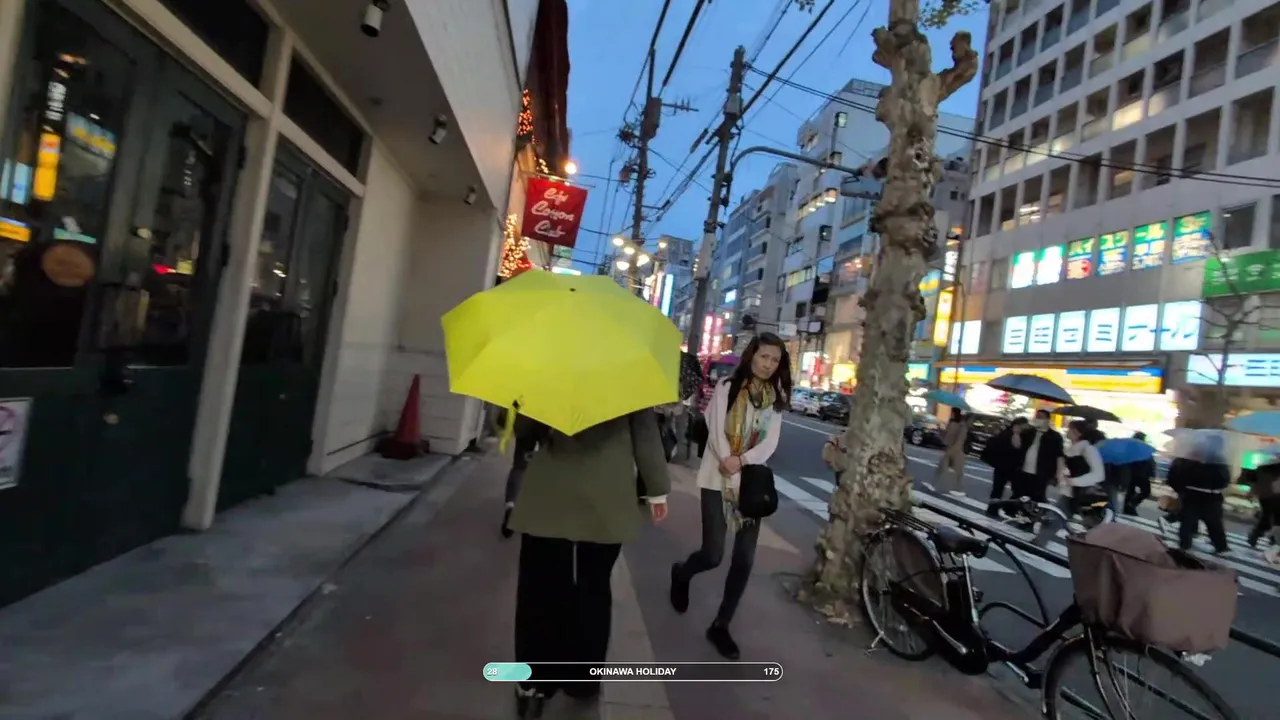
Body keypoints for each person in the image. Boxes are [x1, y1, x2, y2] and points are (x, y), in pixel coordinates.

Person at [506, 410, 670, 717]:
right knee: (593, 588)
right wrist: (657, 490)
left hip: (551, 492)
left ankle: (533, 681)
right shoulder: (632, 382)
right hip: (606, 495)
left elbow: (524, 429)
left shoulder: (548, 378)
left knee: (539, 586)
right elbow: (645, 432)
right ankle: (583, 678)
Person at [669, 333, 791, 660]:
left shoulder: (776, 398)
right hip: (716, 476)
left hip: (750, 485)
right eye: (763, 356)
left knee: (744, 559)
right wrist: (728, 460)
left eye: (774, 360)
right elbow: (715, 430)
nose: (768, 364)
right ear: (752, 356)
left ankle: (721, 625)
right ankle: (682, 573)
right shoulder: (727, 387)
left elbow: (770, 443)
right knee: (713, 554)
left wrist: (742, 461)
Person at [1166, 433, 1231, 556]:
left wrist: (1180, 488)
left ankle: (1186, 544)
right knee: (1209, 522)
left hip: (1197, 495)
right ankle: (1219, 546)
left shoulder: (1198, 457)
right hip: (1204, 495)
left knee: (1195, 521)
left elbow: (1177, 473)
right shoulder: (1213, 459)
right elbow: (1224, 480)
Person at [1012, 409, 1065, 505]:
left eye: (1040, 417)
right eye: (1037, 416)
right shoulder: (1028, 432)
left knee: (1037, 497)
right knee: (1019, 495)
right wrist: (1016, 433)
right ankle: (1015, 512)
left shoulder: (1055, 437)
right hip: (1023, 470)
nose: (1037, 419)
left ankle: (1039, 512)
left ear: (1047, 420)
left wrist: (1058, 475)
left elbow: (1059, 456)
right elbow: (1017, 446)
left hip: (1041, 473)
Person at [981, 417, 1028, 517]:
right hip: (1006, 467)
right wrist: (1016, 434)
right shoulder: (1008, 434)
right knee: (1001, 489)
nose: (1024, 429)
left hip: (1007, 467)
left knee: (1011, 490)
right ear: (1017, 425)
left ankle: (1000, 509)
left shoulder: (1010, 434)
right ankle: (996, 509)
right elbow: (1017, 446)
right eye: (1023, 426)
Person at [1062, 420, 1108, 517]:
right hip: (1068, 492)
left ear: (1077, 432)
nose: (1067, 431)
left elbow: (1099, 475)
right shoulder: (1071, 448)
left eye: (1069, 429)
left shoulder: (1088, 449)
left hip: (1084, 494)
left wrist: (1073, 481)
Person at [933, 408, 969, 497]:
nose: (951, 414)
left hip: (957, 451)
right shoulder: (951, 423)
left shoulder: (962, 425)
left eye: (952, 412)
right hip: (949, 449)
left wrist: (953, 449)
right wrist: (939, 429)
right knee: (941, 467)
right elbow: (946, 437)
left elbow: (960, 439)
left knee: (958, 472)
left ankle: (958, 489)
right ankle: (935, 484)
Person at [1121, 431, 1156, 515]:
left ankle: (1128, 507)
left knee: (1131, 491)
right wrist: (1152, 473)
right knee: (1145, 491)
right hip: (1141, 474)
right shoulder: (1143, 448)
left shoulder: (1129, 448)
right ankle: (1131, 505)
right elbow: (1150, 462)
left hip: (1131, 473)